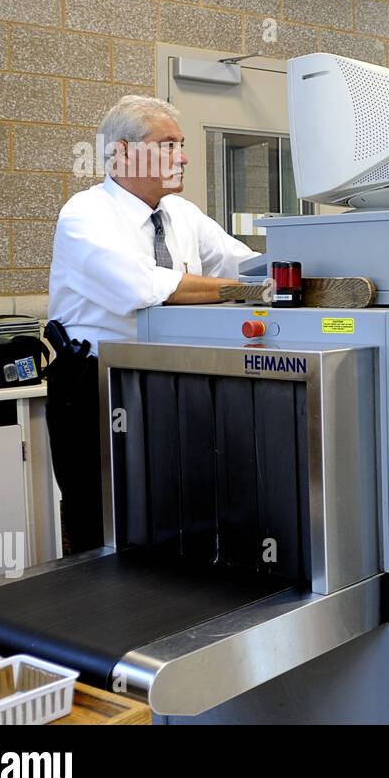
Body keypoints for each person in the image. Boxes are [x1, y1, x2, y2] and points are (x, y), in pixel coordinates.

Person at [46, 96, 259, 553]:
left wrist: (305, 264)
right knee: (101, 518)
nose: (182, 157)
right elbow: (143, 288)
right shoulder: (84, 214)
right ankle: (101, 616)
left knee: (176, 507)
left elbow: (246, 266)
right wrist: (241, 292)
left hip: (172, 379)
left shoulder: (182, 214)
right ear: (121, 153)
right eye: (167, 145)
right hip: (97, 386)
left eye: (181, 145)